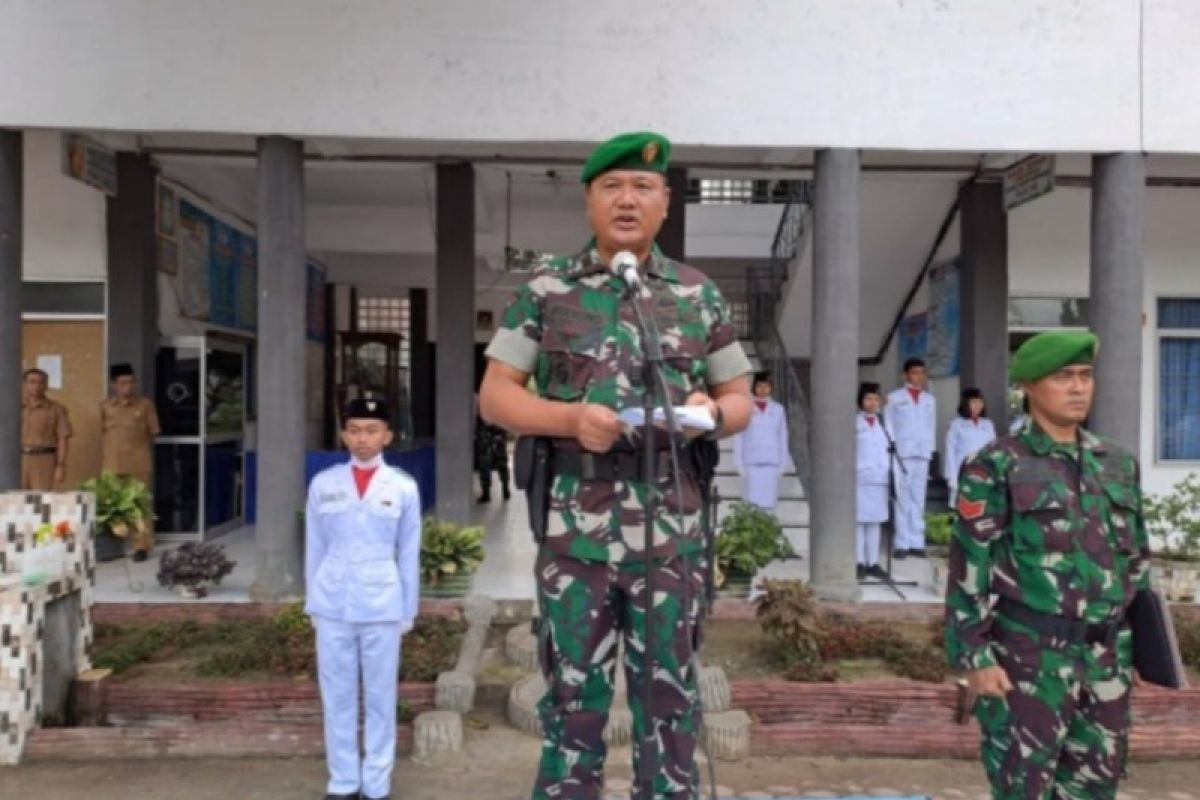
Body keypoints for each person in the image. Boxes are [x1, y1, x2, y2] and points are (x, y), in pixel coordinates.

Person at [479, 130, 753, 800]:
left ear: (664, 204)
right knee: (574, 700)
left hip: (673, 536)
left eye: (642, 187)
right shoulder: (547, 289)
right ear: (589, 202)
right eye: (612, 186)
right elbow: (496, 396)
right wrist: (569, 419)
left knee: (670, 702)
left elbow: (739, 398)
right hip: (576, 538)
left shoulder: (697, 295)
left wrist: (708, 413)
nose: (626, 199)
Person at [944, 331, 1150, 800]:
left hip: (1105, 660)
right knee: (1025, 789)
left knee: (1096, 788)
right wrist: (974, 657)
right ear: (1030, 387)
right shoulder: (996, 465)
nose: (1078, 388)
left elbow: (1137, 560)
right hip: (1029, 659)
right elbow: (968, 568)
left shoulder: (1116, 463)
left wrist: (1143, 644)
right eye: (1063, 378)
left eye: (1085, 376)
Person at [305, 398, 421, 800]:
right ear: (343, 436)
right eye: (354, 430)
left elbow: (408, 552)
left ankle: (376, 784)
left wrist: (408, 610)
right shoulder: (325, 483)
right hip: (332, 602)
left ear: (387, 436)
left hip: (382, 605)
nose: (362, 438)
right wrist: (313, 604)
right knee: (336, 696)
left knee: (380, 698)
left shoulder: (403, 486)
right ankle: (343, 782)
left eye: (372, 430)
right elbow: (314, 548)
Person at [100, 364, 161, 560]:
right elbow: (101, 432)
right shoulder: (105, 407)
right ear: (114, 385)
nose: (128, 386)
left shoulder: (145, 405)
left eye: (131, 382)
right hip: (112, 463)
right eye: (123, 382)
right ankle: (114, 546)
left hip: (138, 462)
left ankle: (141, 546)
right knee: (113, 506)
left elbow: (154, 432)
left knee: (140, 504)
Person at [886, 358, 936, 558]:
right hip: (902, 453)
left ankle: (917, 541)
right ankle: (901, 543)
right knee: (902, 498)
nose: (919, 376)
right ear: (905, 375)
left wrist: (930, 452)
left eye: (922, 372)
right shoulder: (894, 398)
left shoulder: (929, 399)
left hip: (922, 452)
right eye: (915, 372)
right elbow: (888, 425)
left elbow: (931, 427)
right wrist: (891, 449)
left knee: (919, 498)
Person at [732, 372, 789, 510]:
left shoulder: (778, 409)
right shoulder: (746, 408)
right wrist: (738, 463)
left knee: (769, 506)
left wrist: (783, 462)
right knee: (751, 505)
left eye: (766, 386)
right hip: (750, 462)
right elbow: (739, 436)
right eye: (759, 386)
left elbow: (783, 436)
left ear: (771, 388)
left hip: (772, 463)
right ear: (754, 387)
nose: (763, 389)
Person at [855, 382, 890, 580]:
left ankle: (873, 562)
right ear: (861, 400)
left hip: (879, 478)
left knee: (875, 521)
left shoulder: (883, 422)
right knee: (860, 521)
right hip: (861, 477)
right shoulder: (854, 423)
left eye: (876, 399)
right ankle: (859, 562)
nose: (872, 403)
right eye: (868, 398)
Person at [20, 367, 73, 491]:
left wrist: (60, 466)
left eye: (41, 382)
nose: (36, 386)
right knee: (15, 499)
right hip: (19, 459)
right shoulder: (15, 408)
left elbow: (63, 438)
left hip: (44, 460)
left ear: (46, 386)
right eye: (32, 382)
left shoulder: (56, 409)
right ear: (24, 385)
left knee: (42, 500)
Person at [943, 387, 997, 503]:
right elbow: (950, 451)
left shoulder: (988, 424)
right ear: (965, 404)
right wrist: (951, 477)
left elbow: (994, 448)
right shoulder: (956, 424)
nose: (978, 405)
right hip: (962, 470)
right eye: (973, 402)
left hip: (983, 470)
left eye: (980, 402)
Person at [474, 411, 512, 503]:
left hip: (492, 438)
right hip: (492, 438)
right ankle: (498, 490)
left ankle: (503, 489)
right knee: (493, 465)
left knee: (497, 465)